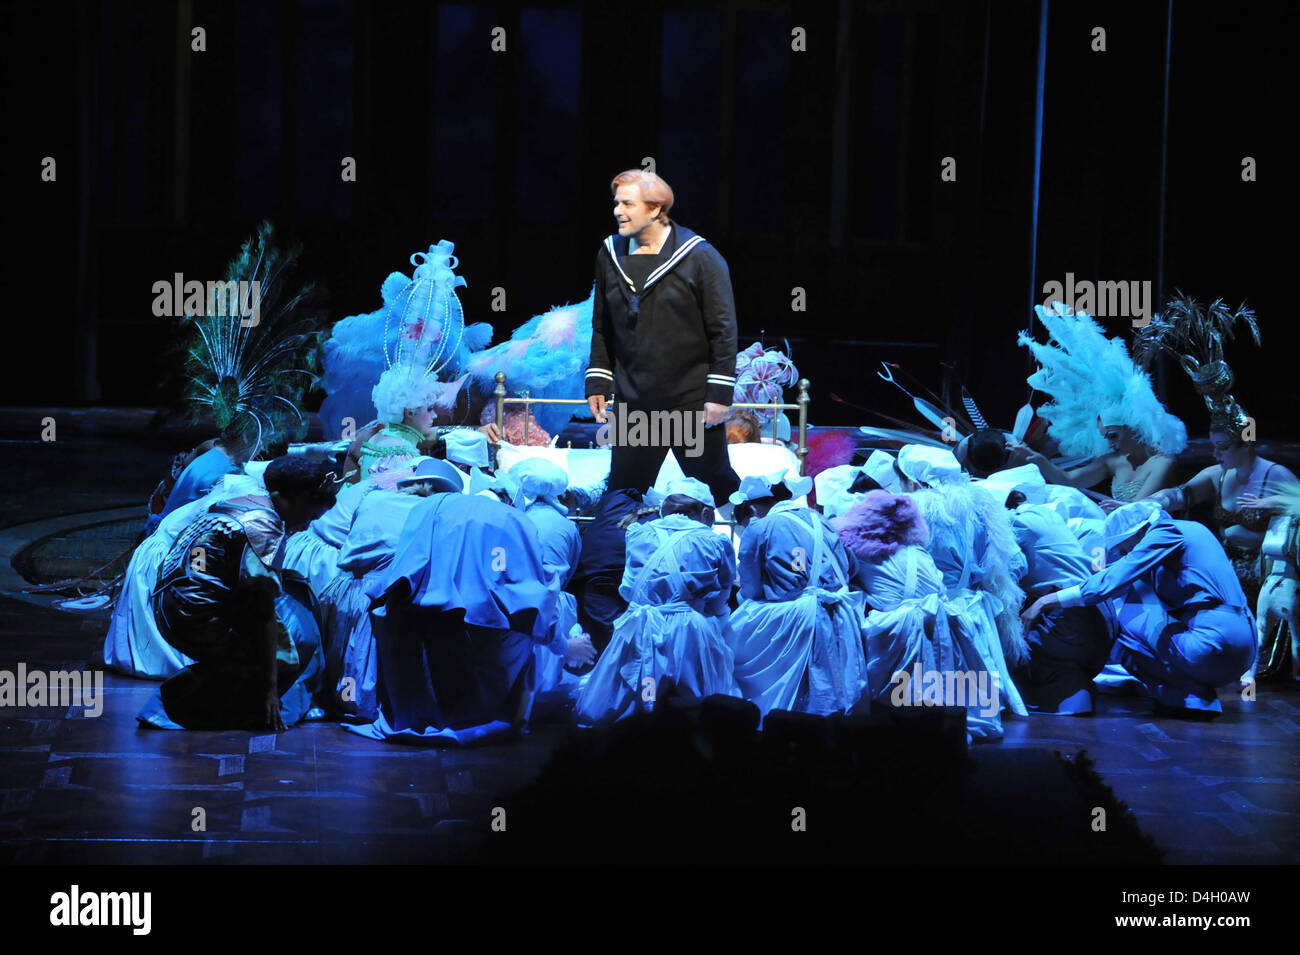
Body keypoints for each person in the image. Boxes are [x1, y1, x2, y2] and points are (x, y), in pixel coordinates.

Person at [349, 459, 587, 745]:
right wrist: (563, 646)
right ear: (512, 502)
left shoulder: (431, 506)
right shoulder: (514, 521)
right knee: (528, 640)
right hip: (474, 637)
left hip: (409, 625)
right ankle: (505, 720)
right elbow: (533, 601)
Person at [136, 457, 341, 730]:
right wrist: (270, 687)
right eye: (311, 516)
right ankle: (182, 707)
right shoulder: (264, 526)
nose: (306, 527)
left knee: (291, 594)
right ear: (296, 499)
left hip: (170, 600)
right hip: (194, 616)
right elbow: (263, 610)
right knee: (296, 633)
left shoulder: (249, 499)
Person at [585, 169, 741, 504]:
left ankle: (755, 540)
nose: (617, 210)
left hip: (690, 403)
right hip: (635, 402)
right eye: (616, 203)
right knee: (623, 495)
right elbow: (602, 326)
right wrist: (599, 381)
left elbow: (723, 330)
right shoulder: (609, 254)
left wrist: (718, 395)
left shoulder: (699, 257)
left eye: (627, 203)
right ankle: (614, 556)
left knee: (716, 490)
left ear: (655, 209)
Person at [1022, 502, 1257, 716]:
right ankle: (1191, 698)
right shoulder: (1193, 530)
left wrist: (1046, 601)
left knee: (1117, 611)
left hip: (1212, 646)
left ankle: (1189, 697)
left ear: (1140, 533)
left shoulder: (1166, 532)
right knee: (1136, 595)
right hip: (1244, 648)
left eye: (1125, 549)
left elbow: (1112, 581)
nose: (1126, 554)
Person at [833, 490, 1004, 741]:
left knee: (898, 696)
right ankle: (939, 725)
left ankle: (904, 729)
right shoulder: (919, 553)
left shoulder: (860, 553)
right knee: (942, 681)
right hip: (942, 622)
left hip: (898, 627)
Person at [575, 478, 741, 722]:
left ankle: (639, 730)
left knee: (638, 687)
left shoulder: (639, 533)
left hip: (641, 622)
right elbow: (721, 594)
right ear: (705, 512)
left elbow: (629, 589)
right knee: (688, 690)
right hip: (689, 627)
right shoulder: (715, 541)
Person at [1147, 414, 1298, 680]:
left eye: (1223, 447)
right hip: (1225, 564)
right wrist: (1144, 505)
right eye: (1214, 446)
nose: (1216, 454)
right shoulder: (1218, 474)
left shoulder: (1275, 475)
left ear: (1246, 445)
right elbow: (1179, 495)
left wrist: (1272, 502)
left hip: (1263, 570)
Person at [1018, 303, 1186, 507]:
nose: (1109, 444)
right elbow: (1069, 480)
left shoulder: (1162, 462)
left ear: (1132, 425)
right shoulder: (1114, 460)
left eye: (1113, 435)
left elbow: (1139, 510)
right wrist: (1038, 460)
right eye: (1106, 437)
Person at [728, 472, 866, 718]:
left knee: (731, 649)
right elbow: (849, 565)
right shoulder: (820, 519)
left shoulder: (761, 527)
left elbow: (749, 587)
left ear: (749, 509)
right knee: (828, 691)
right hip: (837, 613)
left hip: (790, 617)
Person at [980, 469, 1114, 714]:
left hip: (1069, 620)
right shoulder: (1046, 514)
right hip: (1099, 616)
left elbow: (1008, 572)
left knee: (1002, 633)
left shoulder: (1015, 523)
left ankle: (1056, 697)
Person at [145, 421, 257, 536]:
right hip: (174, 532)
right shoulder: (230, 474)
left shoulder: (212, 447)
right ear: (244, 439)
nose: (261, 445)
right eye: (260, 440)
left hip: (164, 519)